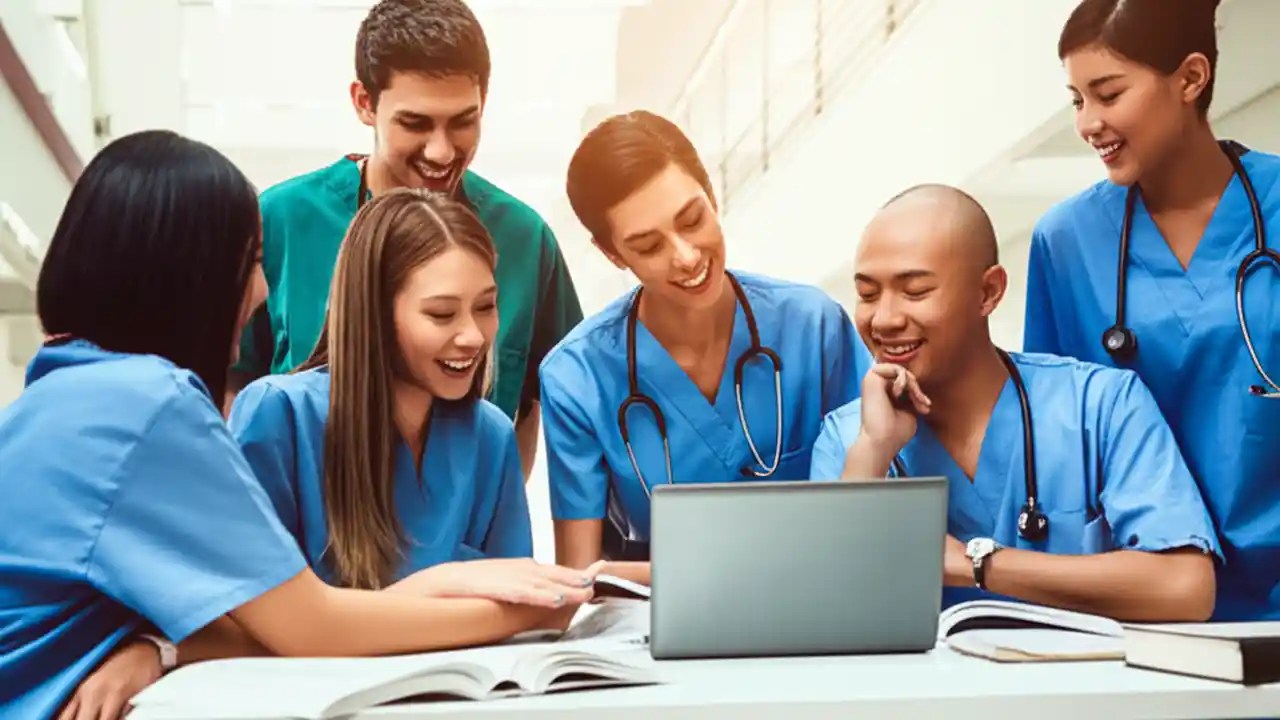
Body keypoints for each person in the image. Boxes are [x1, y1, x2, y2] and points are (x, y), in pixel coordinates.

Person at [0, 131, 596, 720]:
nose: (263, 290)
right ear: (188, 277)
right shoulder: (156, 406)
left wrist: (159, 650)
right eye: (252, 263)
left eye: (485, 305)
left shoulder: (64, 392)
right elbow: (307, 623)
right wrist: (526, 607)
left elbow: (284, 621)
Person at [810, 184, 1220, 621]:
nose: (885, 319)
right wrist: (872, 454)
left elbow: (1185, 588)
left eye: (916, 292)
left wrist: (976, 564)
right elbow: (824, 616)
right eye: (868, 295)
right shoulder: (847, 439)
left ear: (988, 292)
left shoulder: (1100, 405)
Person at [231, 0, 582, 478]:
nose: (441, 151)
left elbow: (534, 403)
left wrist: (495, 508)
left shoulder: (525, 239)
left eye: (463, 121)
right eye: (415, 123)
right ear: (364, 102)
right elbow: (234, 385)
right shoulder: (282, 220)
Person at [1024, 0, 1280, 620]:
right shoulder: (1067, 242)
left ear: (1190, 78)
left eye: (1108, 94)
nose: (1088, 123)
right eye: (1077, 100)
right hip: (1140, 603)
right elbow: (1053, 439)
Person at [541, 111, 872, 587]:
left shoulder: (814, 327)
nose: (686, 256)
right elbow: (579, 579)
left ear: (712, 195)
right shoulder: (577, 378)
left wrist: (628, 572)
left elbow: (870, 517)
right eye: (648, 246)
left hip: (823, 597)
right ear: (612, 254)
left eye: (693, 219)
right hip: (671, 615)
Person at [229, 189, 534, 590]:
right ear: (374, 312)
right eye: (442, 313)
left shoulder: (491, 435)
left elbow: (521, 601)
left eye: (486, 307)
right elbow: (246, 607)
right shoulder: (279, 415)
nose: (474, 336)